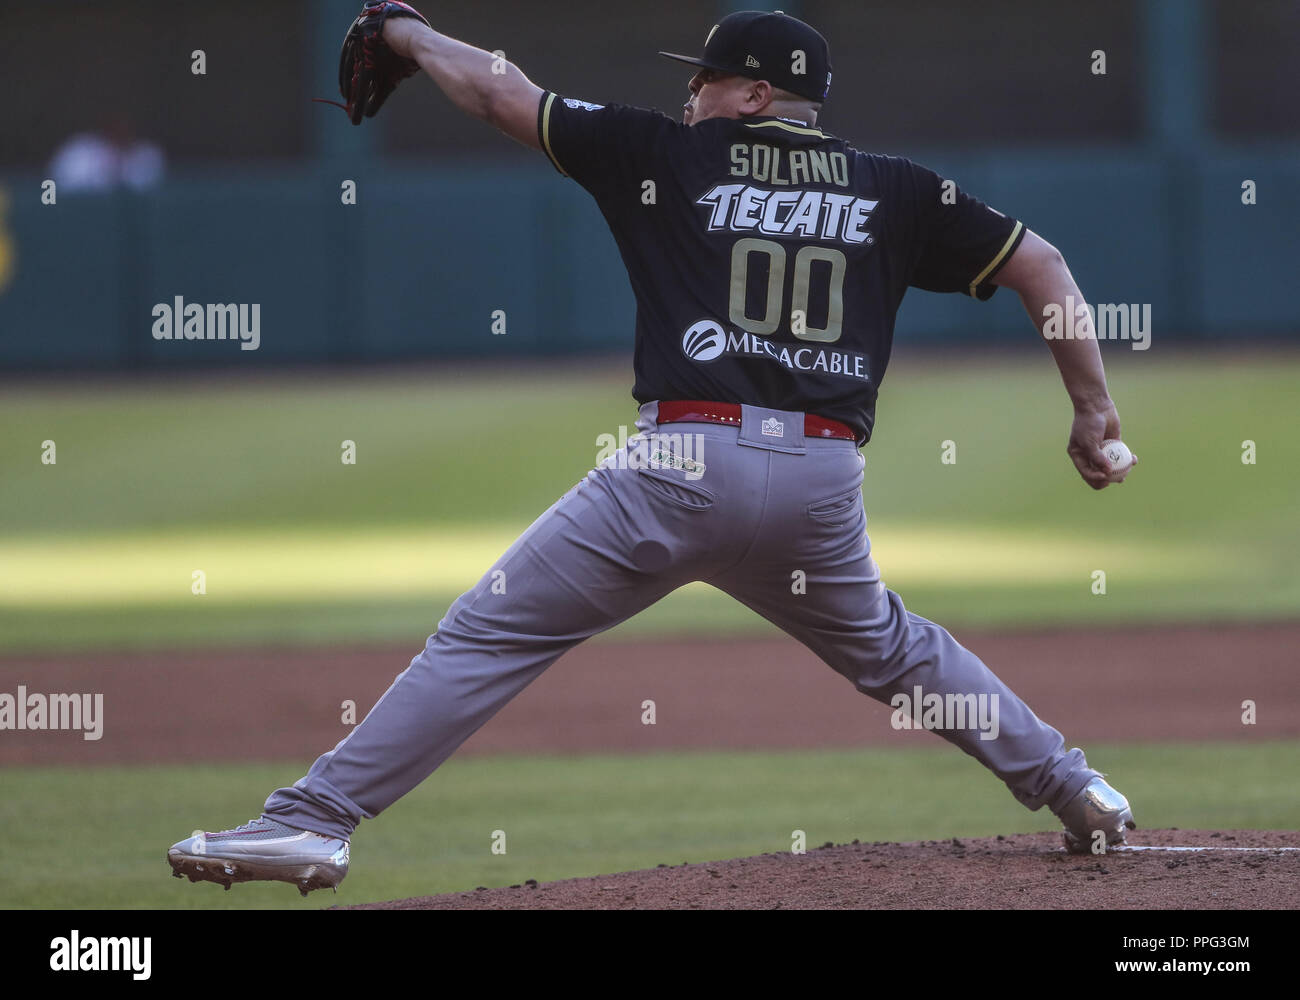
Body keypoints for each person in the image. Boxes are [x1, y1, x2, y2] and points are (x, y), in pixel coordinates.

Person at [168, 8, 1135, 897]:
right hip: (820, 484)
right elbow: (1041, 265)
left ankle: (312, 821)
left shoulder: (662, 154)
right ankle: (1077, 788)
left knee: (491, 633)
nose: (692, 93)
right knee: (896, 649)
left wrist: (409, 33)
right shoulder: (898, 188)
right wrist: (1092, 410)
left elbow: (501, 90)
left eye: (710, 78)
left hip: (680, 469)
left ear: (755, 95)